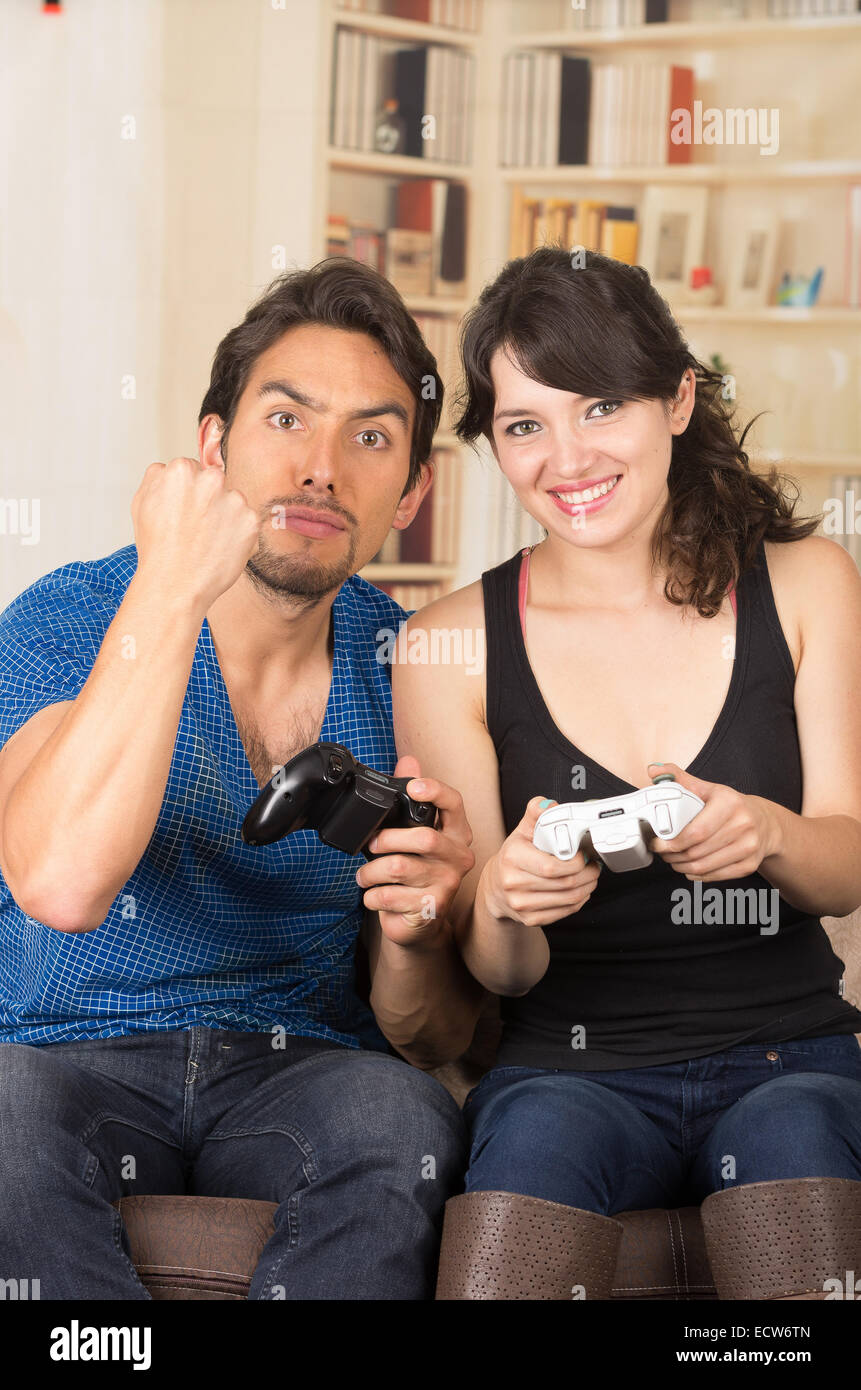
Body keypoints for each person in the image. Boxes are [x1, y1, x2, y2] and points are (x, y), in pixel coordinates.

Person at [0, 258, 485, 1301]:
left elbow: (439, 1037)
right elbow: (61, 883)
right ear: (213, 446)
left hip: (300, 1065)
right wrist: (171, 585)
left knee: (408, 1122)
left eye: (370, 437)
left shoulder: (412, 671)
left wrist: (418, 933)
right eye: (285, 420)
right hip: (60, 1055)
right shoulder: (70, 617)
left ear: (411, 493)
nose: (321, 468)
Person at [393, 246, 861, 1298]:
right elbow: (497, 974)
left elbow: (849, 864)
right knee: (509, 1242)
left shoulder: (809, 586)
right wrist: (507, 901)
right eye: (525, 425)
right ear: (494, 445)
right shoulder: (447, 643)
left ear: (679, 399)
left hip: (793, 1057)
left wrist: (771, 834)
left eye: (601, 406)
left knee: (799, 1181)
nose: (567, 458)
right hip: (567, 1068)